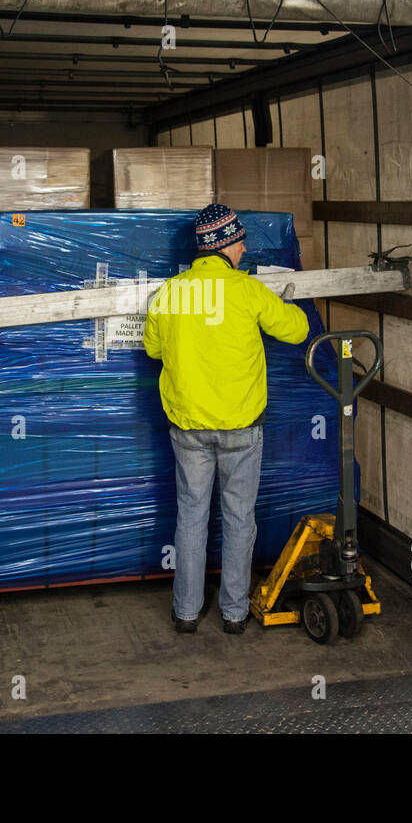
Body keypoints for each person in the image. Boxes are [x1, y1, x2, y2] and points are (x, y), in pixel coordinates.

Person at [143, 203, 309, 634]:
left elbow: (153, 350)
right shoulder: (247, 290)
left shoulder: (171, 292)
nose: (245, 247)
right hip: (241, 427)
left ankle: (186, 612)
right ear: (228, 244)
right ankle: (234, 614)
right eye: (240, 240)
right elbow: (296, 331)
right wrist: (283, 303)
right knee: (239, 518)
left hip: (189, 428)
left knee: (191, 517)